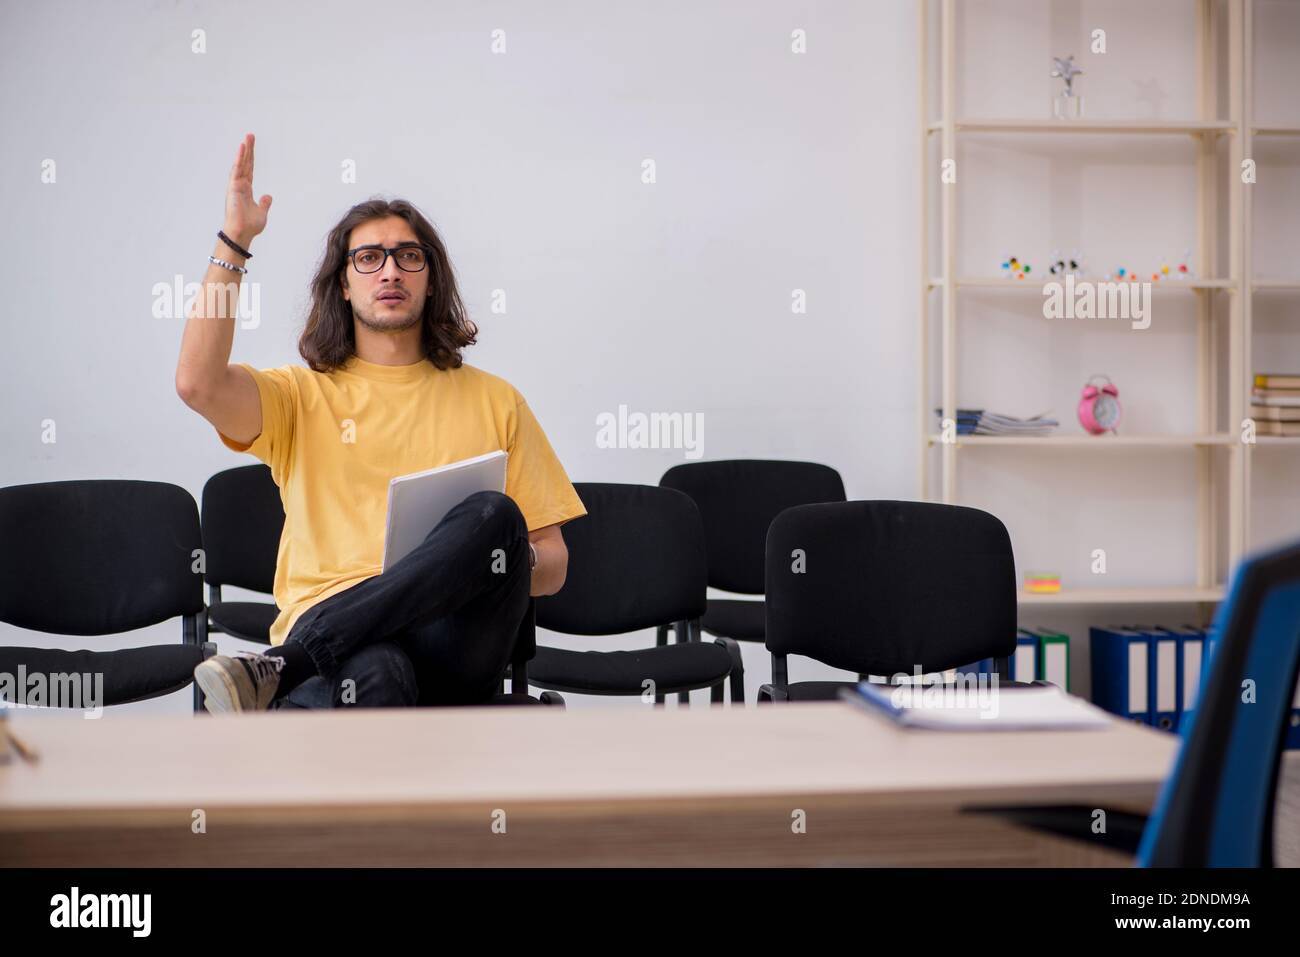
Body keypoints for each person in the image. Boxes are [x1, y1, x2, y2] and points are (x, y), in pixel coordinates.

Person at [176, 133, 586, 712]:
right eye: (369, 258)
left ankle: (279, 670)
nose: (389, 270)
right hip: (343, 651)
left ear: (429, 275)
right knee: (379, 671)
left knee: (496, 516)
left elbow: (555, 566)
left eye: (408, 255)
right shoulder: (300, 395)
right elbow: (197, 383)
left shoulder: (498, 401)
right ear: (344, 284)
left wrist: (481, 559)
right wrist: (234, 242)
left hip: (454, 641)